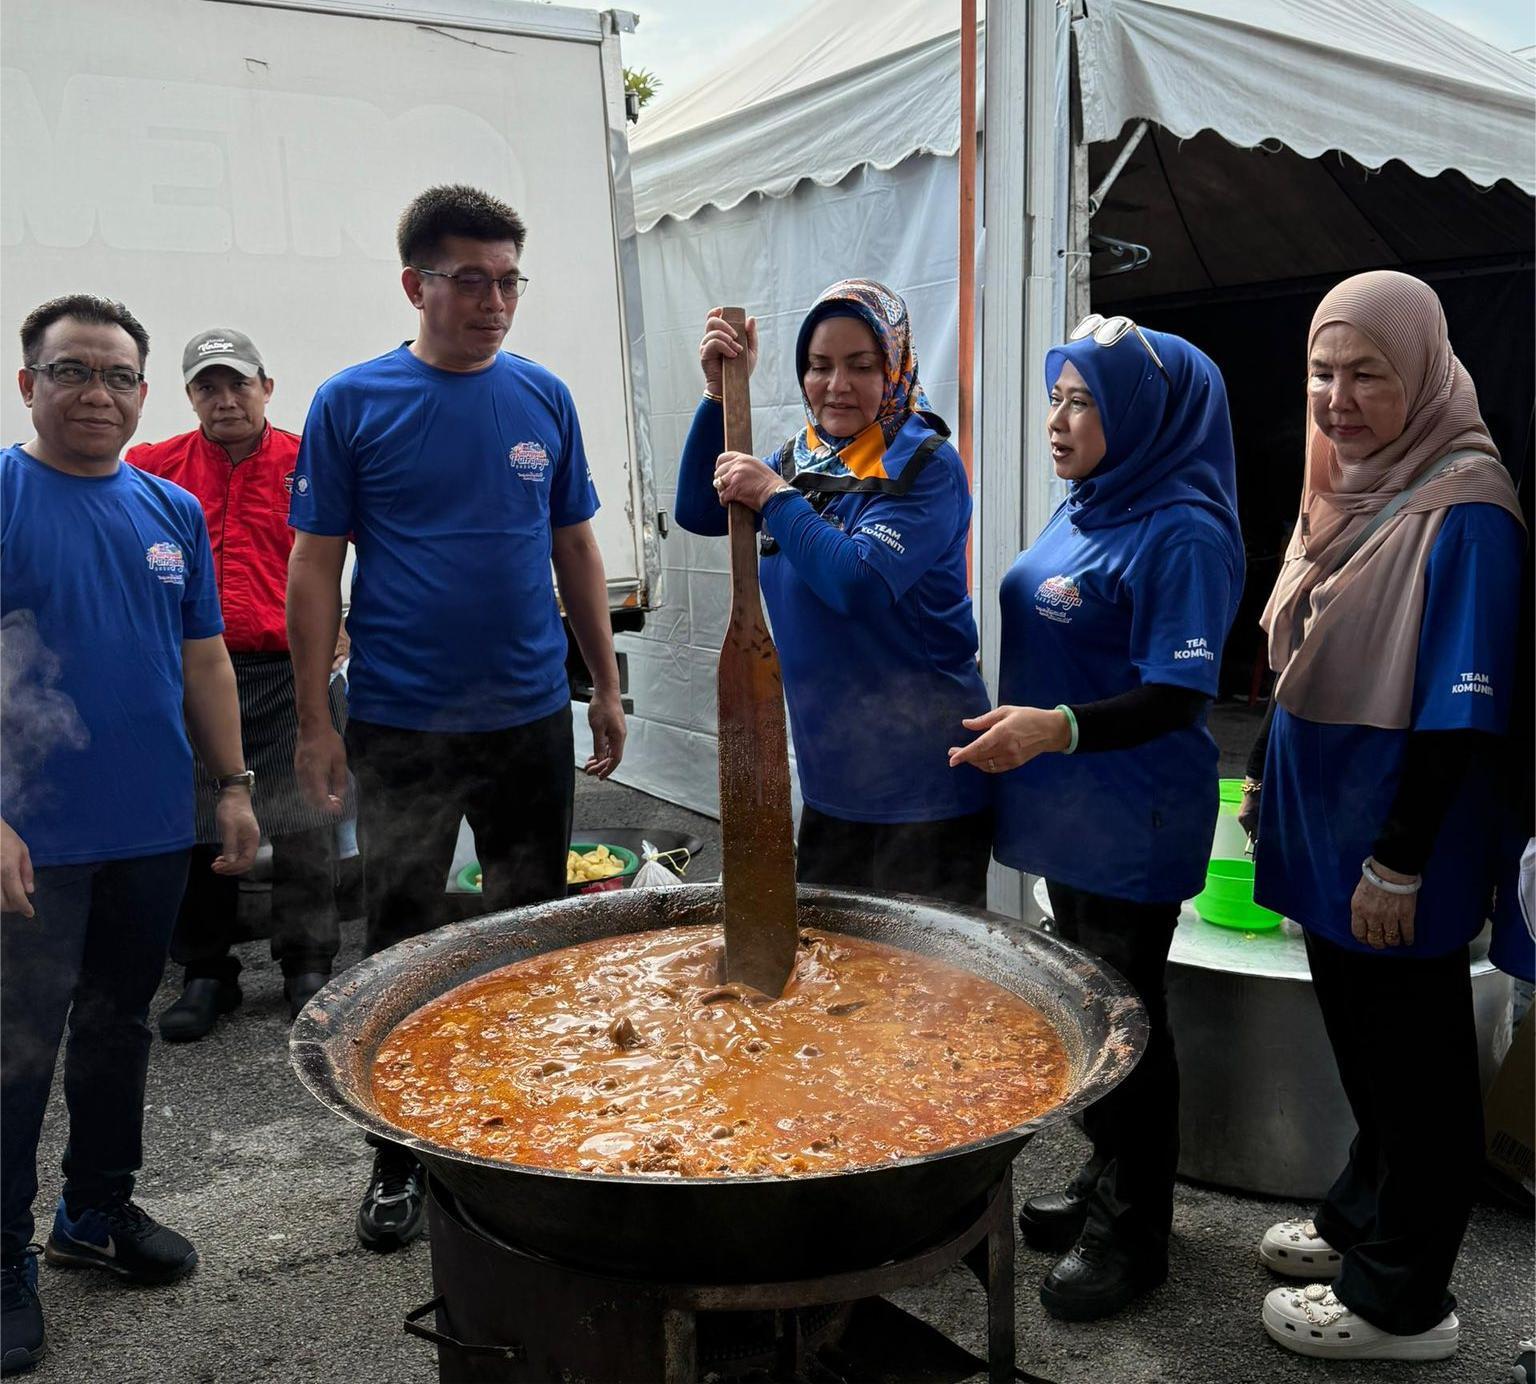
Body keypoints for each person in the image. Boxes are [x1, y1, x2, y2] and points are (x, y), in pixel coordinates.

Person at [285, 184, 626, 1253]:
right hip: (403, 721)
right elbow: (315, 566)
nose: (494, 300)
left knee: (533, 935)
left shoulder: (543, 398)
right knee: (400, 938)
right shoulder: (355, 401)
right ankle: (400, 1157)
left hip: (529, 715)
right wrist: (312, 721)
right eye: (470, 279)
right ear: (415, 285)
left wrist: (604, 685)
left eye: (509, 279)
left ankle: (523, 1133)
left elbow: (575, 548)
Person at [1241, 271, 1524, 1363]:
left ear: (1427, 373)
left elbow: (1462, 715)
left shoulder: (1467, 511)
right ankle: (1361, 1219)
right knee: (1364, 1046)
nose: (1338, 397)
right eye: (1322, 370)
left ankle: (1406, 1298)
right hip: (1330, 823)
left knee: (1419, 1067)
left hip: (1399, 837)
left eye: (1369, 373)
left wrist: (1401, 863)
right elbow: (1303, 647)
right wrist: (1271, 776)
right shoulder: (1347, 484)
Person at [950, 315, 1243, 1320]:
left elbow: (1176, 696)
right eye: (1059, 394)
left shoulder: (1185, 528)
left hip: (1132, 815)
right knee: (1089, 1006)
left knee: (1129, 1024)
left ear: (1143, 417)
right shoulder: (1089, 503)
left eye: (1085, 401)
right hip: (1070, 811)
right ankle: (1109, 1176)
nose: (1058, 419)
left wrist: (1054, 728)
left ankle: (1137, 1233)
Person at [0, 295, 260, 1375]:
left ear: (143, 393)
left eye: (116, 375)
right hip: (30, 840)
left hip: (152, 824)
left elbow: (205, 659)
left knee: (118, 1029)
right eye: (72, 372)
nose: (96, 392)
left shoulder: (169, 511)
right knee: (15, 1053)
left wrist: (236, 787)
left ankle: (94, 1214)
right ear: (29, 384)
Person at [673, 280, 991, 903]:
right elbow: (699, 511)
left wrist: (773, 497)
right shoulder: (802, 458)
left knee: (921, 994)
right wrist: (717, 397)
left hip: (924, 790)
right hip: (832, 784)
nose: (836, 385)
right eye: (820, 366)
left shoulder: (925, 466)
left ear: (895, 367)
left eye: (861, 365)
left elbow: (858, 583)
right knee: (830, 984)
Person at [128, 328, 349, 1037]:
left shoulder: (309, 462)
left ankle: (308, 963)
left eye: (238, 384)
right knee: (199, 827)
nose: (224, 400)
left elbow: (375, 546)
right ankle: (206, 972)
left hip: (294, 670)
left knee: (307, 817)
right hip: (195, 675)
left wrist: (356, 627)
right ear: (188, 395)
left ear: (267, 386)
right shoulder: (152, 467)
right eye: (207, 387)